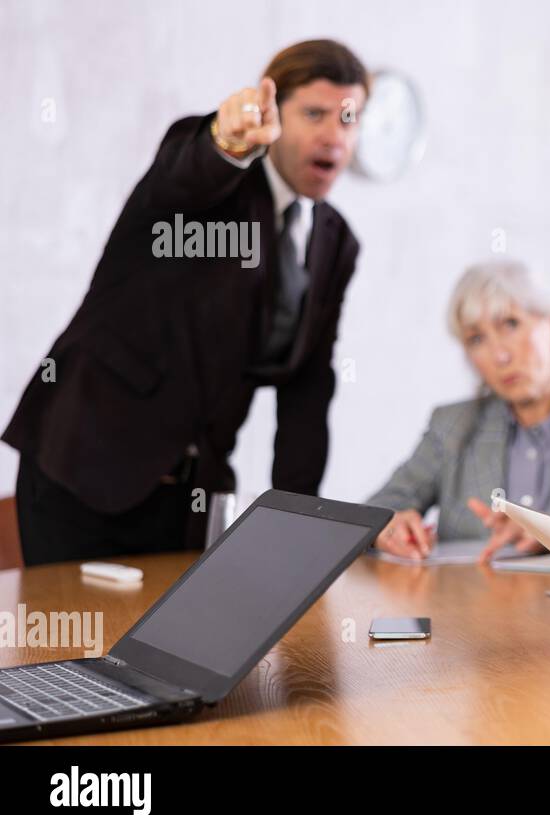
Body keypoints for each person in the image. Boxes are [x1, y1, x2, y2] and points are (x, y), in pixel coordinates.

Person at [4, 39, 370, 565]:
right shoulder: (212, 180)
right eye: (313, 113)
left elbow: (307, 391)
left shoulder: (336, 241)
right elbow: (187, 170)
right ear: (272, 113)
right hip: (83, 468)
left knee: (176, 646)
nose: (334, 135)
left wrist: (297, 528)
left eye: (349, 118)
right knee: (76, 644)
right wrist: (229, 141)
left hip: (190, 496)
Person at [369, 260, 550, 563]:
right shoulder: (451, 425)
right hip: (465, 605)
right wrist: (390, 526)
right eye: (476, 339)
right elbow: (374, 512)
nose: (500, 355)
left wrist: (546, 530)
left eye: (510, 325)